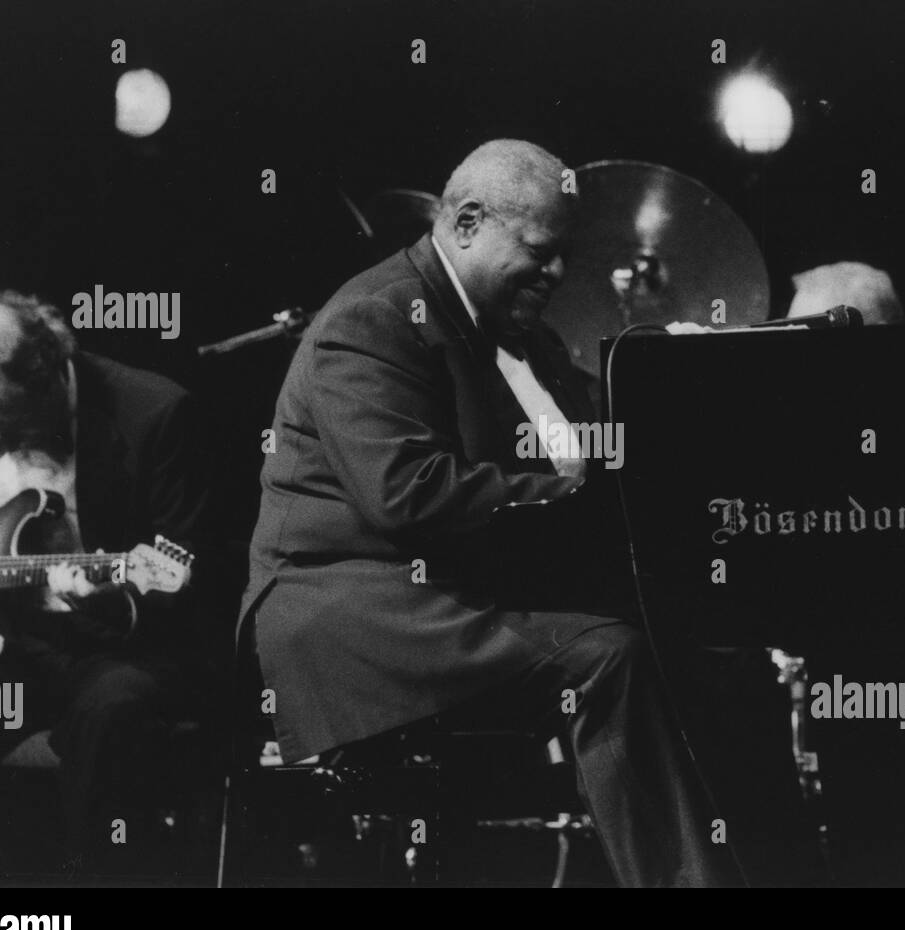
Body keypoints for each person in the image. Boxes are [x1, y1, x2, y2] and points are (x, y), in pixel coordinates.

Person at [240, 139, 747, 887]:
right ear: (469, 221)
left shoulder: (521, 334)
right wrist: (583, 494)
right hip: (352, 611)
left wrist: (674, 392)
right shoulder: (372, 322)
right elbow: (408, 493)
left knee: (708, 641)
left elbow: (588, 441)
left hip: (446, 587)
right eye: (541, 250)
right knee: (609, 655)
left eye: (564, 253)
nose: (557, 272)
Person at [0, 291, 212, 879]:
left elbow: (194, 582)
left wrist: (110, 597)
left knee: (113, 714)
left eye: (12, 422)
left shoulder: (155, 413)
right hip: (1, 650)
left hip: (117, 649)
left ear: (54, 368)